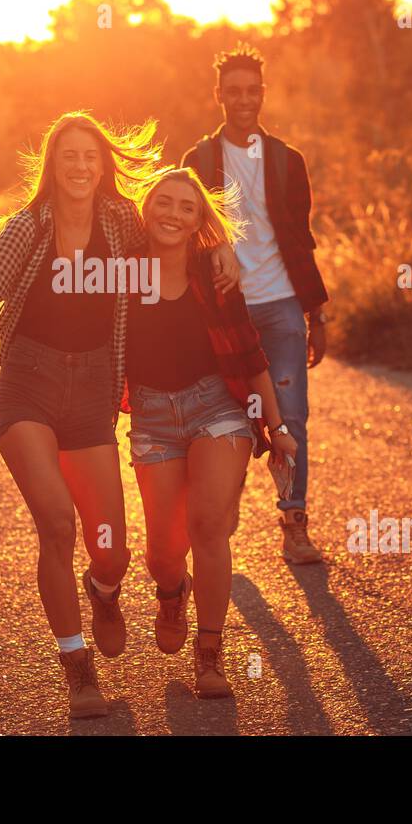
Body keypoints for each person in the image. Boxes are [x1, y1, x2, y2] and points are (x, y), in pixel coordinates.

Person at [0, 112, 240, 718]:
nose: (81, 167)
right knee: (57, 524)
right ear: (51, 167)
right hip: (27, 386)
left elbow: (177, 217)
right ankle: (77, 670)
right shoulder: (24, 230)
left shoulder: (119, 223)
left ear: (104, 166)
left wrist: (225, 248)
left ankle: (104, 590)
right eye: (69, 157)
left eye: (91, 157)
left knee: (111, 549)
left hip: (91, 395)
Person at [123, 168, 297, 698]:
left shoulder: (212, 276)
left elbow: (249, 352)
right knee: (161, 550)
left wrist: (278, 424)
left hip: (216, 406)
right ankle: (172, 590)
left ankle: (210, 653)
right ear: (145, 208)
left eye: (187, 208)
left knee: (208, 526)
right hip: (152, 416)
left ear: (201, 220)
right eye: (164, 203)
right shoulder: (119, 273)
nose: (173, 214)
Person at [181, 43, 330, 565]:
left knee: (289, 418)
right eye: (234, 91)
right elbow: (185, 241)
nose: (244, 100)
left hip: (282, 306)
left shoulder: (289, 162)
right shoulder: (197, 162)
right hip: (224, 315)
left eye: (253, 91)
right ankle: (222, 512)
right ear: (219, 95)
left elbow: (301, 239)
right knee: (228, 418)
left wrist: (316, 311)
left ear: (262, 94)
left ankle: (294, 523)